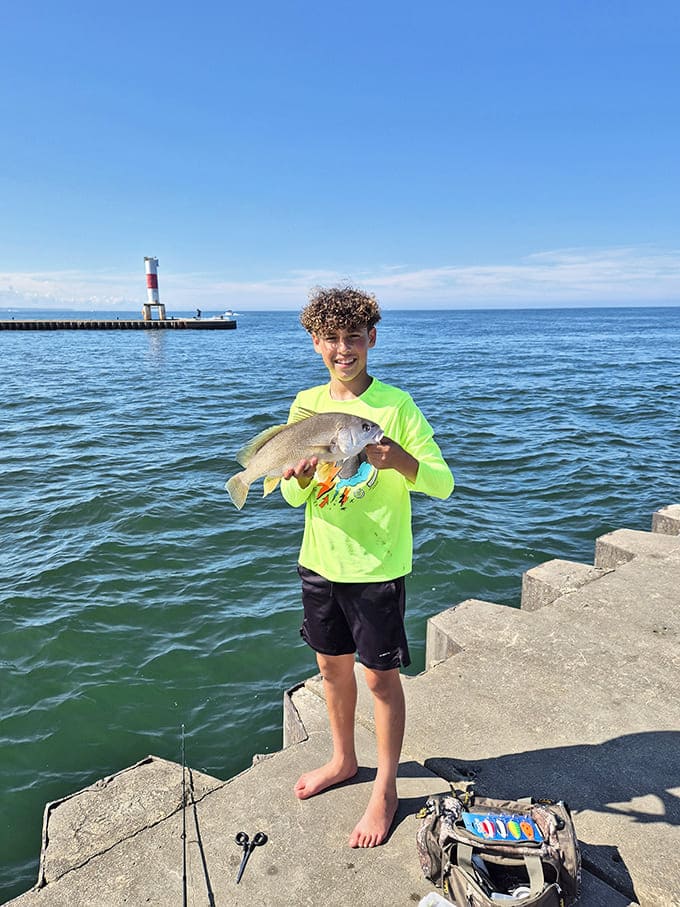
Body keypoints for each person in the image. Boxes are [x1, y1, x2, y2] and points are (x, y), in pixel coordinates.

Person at [280, 286, 454, 849]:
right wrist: (300, 477)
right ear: (316, 343)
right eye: (331, 338)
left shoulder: (396, 407)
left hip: (377, 567)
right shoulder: (306, 405)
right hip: (319, 562)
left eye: (353, 337)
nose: (343, 348)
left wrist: (400, 459)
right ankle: (343, 759)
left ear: (371, 339)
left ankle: (385, 787)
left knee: (380, 678)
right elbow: (293, 496)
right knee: (331, 670)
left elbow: (443, 483)